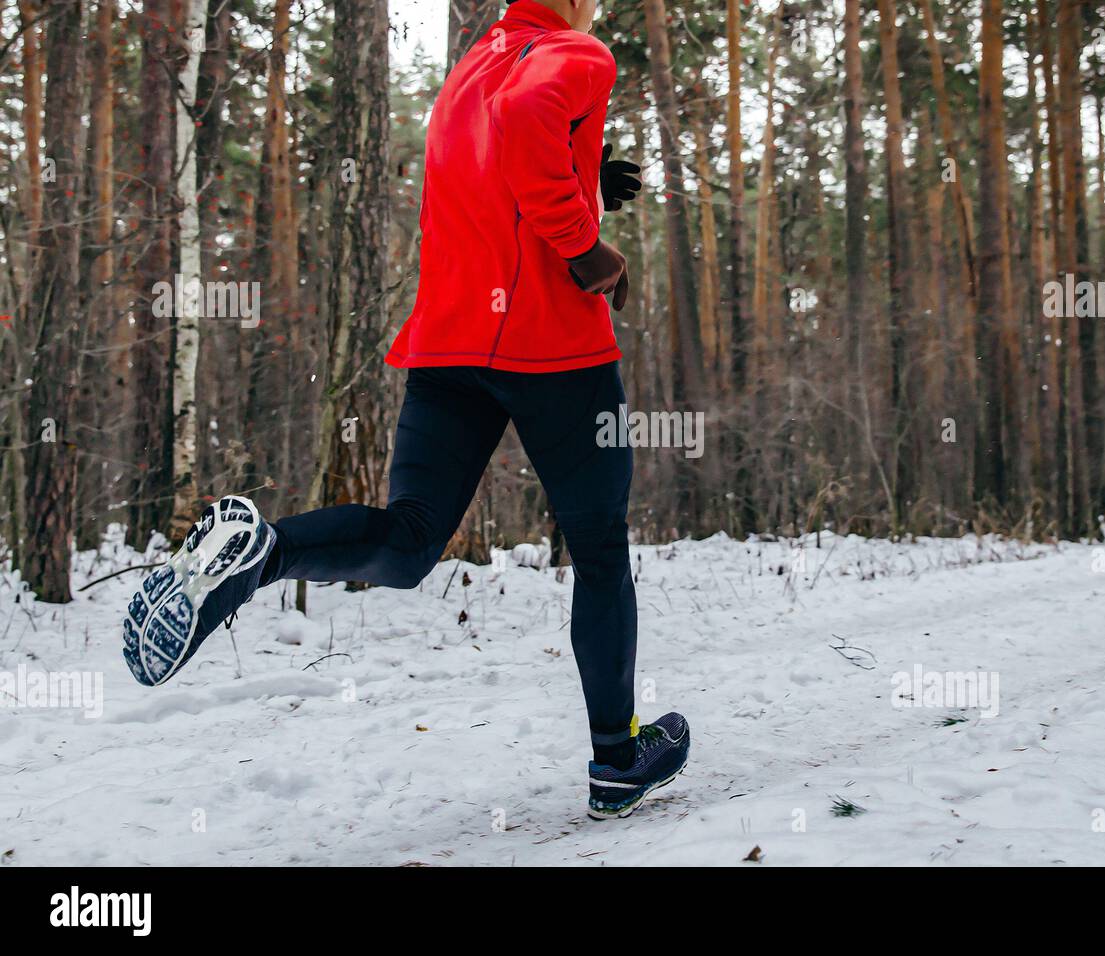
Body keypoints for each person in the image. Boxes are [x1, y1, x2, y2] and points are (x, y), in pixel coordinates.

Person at [121, 0, 688, 821]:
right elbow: (532, 116)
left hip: (449, 345)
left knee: (410, 536)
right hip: (550, 350)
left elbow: (489, 154)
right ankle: (616, 759)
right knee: (600, 552)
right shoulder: (579, 53)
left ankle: (262, 557)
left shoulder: (470, 67)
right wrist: (584, 245)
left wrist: (586, 176)